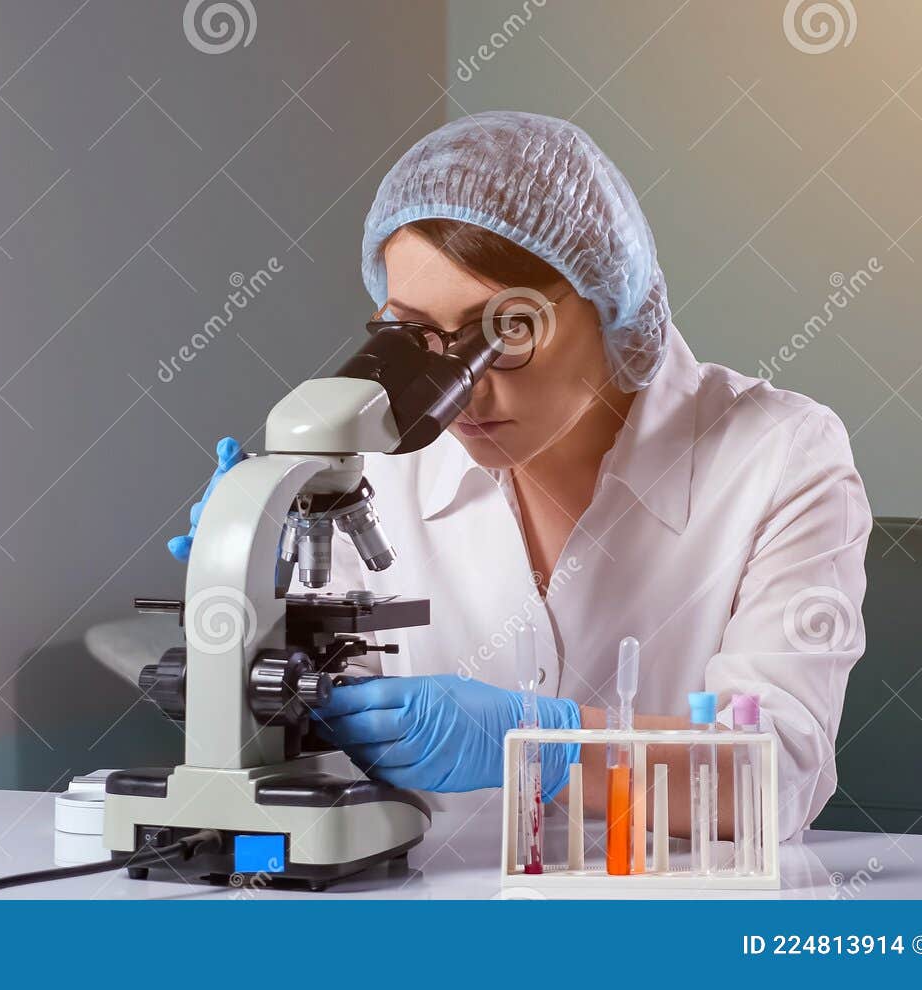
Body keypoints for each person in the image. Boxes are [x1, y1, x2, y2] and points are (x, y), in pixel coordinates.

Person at [168, 111, 870, 842]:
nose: (462, 391)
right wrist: (238, 571)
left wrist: (549, 746)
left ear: (608, 300)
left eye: (506, 332)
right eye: (416, 337)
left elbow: (779, 780)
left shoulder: (781, 456)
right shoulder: (375, 466)